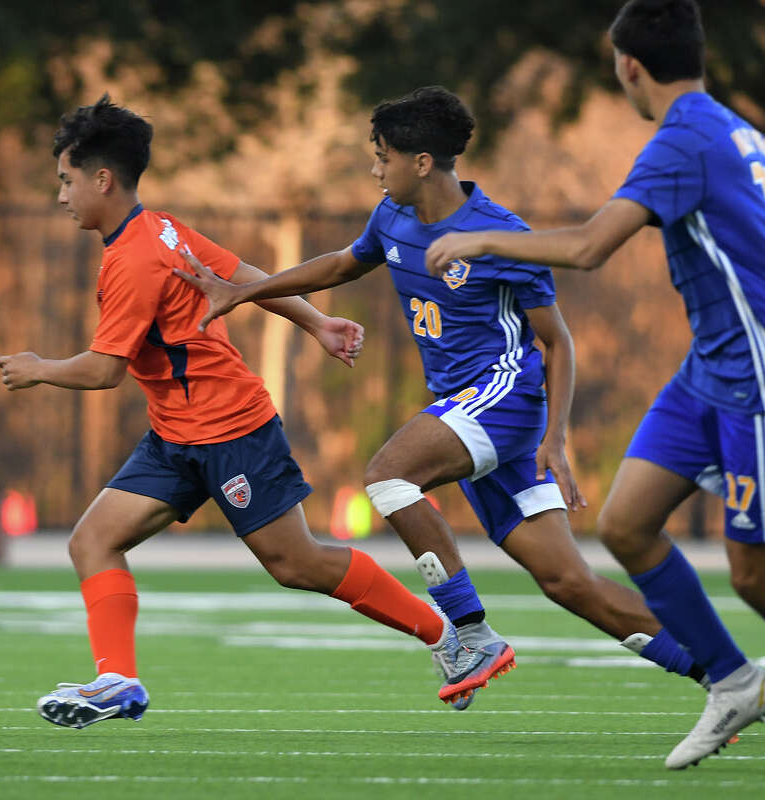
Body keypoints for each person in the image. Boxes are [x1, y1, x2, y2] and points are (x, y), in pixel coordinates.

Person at [176, 85, 707, 711]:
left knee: (389, 476)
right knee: (571, 583)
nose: (375, 170)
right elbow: (342, 266)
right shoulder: (392, 217)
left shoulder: (499, 234)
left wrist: (555, 439)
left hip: (505, 399)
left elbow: (557, 343)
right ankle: (722, 673)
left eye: (383, 157)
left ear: (421, 162)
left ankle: (471, 631)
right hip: (466, 410)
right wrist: (242, 293)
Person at [0, 93, 476, 730]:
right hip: (175, 434)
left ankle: (447, 638)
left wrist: (40, 368)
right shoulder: (157, 228)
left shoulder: (138, 256)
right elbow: (241, 276)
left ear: (102, 179)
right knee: (93, 541)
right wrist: (316, 323)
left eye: (66, 180)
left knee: (296, 564)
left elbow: (106, 370)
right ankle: (117, 680)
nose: (61, 196)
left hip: (231, 431)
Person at [424, 0, 765, 769]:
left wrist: (481, 235)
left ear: (629, 66)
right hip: (706, 368)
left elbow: (586, 248)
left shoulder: (685, 140)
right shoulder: (729, 126)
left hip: (754, 369)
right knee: (627, 524)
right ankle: (735, 681)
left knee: (751, 575)